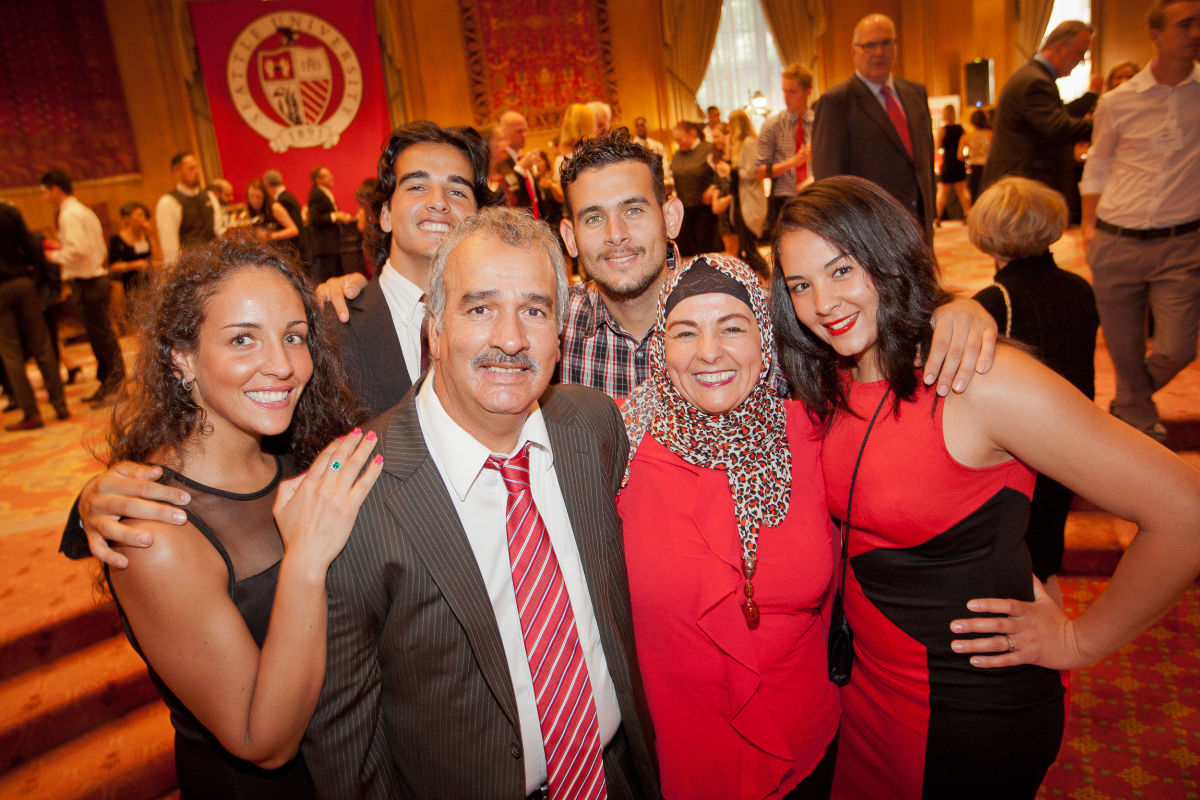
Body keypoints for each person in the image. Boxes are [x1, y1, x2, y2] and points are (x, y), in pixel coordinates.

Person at [771, 175, 1200, 800]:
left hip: (965, 712)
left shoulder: (980, 378)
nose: (822, 303)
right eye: (800, 284)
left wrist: (1081, 638)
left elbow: (1185, 512)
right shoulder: (827, 374)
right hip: (864, 692)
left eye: (842, 270)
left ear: (890, 256)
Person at [301, 207, 659, 799]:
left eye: (535, 311)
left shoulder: (592, 428)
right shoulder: (356, 489)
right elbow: (344, 742)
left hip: (616, 778)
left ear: (561, 332)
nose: (511, 339)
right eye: (481, 308)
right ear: (434, 328)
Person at [101, 234, 382, 797]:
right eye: (242, 339)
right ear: (182, 357)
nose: (280, 366)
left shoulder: (299, 454)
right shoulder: (155, 528)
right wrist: (304, 559)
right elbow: (262, 740)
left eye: (294, 337)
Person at [619, 253, 838, 799]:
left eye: (732, 328)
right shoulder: (615, 445)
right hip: (679, 762)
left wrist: (956, 314)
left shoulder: (815, 429)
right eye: (685, 332)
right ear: (661, 351)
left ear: (764, 340)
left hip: (805, 751)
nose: (709, 353)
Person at [969, 176, 1098, 591]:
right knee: (1047, 559)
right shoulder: (1080, 288)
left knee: (1017, 564)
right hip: (1077, 440)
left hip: (1021, 452)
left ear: (987, 237)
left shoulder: (993, 301)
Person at [1079, 0, 1200, 444]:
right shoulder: (1118, 101)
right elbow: (1098, 166)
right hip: (1117, 238)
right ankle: (1135, 412)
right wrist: (1090, 228)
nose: (1195, 32)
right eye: (1185, 24)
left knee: (1177, 348)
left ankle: (1131, 402)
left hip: (1183, 241)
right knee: (1124, 346)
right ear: (1156, 35)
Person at [812, 14, 937, 242]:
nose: (879, 52)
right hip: (871, 231)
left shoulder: (915, 93)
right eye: (869, 45)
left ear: (896, 46)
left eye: (886, 43)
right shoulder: (836, 102)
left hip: (919, 225)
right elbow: (829, 181)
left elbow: (925, 160)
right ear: (854, 51)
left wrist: (931, 212)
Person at [983, 20, 1102, 199]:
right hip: (1024, 187)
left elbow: (1056, 116)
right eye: (1080, 53)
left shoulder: (1033, 76)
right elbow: (1057, 127)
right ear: (1060, 47)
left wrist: (1091, 96)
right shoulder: (1035, 82)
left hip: (1021, 183)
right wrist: (1108, 122)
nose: (1081, 61)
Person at [41, 169, 126, 405]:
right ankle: (109, 383)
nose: (44, 197)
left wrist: (51, 256)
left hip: (87, 282)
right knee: (103, 335)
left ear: (55, 189)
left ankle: (115, 387)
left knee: (102, 337)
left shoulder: (69, 214)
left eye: (45, 192)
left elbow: (77, 250)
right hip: (94, 278)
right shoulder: (83, 211)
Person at [0, 201, 69, 430]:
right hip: (22, 282)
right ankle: (60, 405)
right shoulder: (9, 211)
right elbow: (32, 246)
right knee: (42, 344)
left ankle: (31, 413)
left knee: (10, 354)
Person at [756, 63, 815, 234]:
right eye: (784, 91)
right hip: (784, 200)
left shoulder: (821, 122)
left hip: (818, 197)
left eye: (792, 92)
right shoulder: (772, 125)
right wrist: (794, 162)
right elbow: (759, 171)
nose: (786, 97)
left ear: (808, 92)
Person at [156, 151, 218, 265]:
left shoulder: (208, 196)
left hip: (215, 261)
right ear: (177, 171)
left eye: (196, 167)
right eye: (191, 168)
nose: (196, 172)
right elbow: (170, 250)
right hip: (191, 267)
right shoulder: (168, 203)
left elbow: (218, 231)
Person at [670, 121, 719, 257]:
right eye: (676, 141)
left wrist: (713, 188)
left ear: (691, 134)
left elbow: (720, 175)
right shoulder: (678, 154)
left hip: (705, 209)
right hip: (685, 208)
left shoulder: (708, 149)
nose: (678, 144)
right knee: (687, 251)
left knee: (705, 250)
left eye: (680, 140)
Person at [107, 201, 153, 325]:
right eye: (138, 215)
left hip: (147, 280)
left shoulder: (146, 236)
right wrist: (133, 264)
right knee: (135, 319)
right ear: (128, 218)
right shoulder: (117, 239)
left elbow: (156, 255)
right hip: (127, 282)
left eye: (144, 215)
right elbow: (112, 265)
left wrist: (150, 234)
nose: (142, 219)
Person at [728, 109, 767, 257]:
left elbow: (751, 172)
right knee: (743, 248)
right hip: (739, 200)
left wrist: (733, 170)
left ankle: (765, 275)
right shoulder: (737, 144)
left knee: (749, 247)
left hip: (749, 199)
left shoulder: (749, 142)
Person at [308, 166, 353, 284]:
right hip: (324, 246)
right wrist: (336, 216)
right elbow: (315, 218)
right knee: (330, 279)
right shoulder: (316, 193)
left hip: (331, 244)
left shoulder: (325, 192)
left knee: (337, 276)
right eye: (327, 175)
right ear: (318, 179)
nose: (331, 177)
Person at [934, 104, 971, 222]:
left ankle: (937, 218)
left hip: (948, 162)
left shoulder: (942, 130)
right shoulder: (961, 129)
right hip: (959, 163)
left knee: (942, 192)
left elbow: (938, 147)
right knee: (962, 191)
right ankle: (967, 214)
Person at [263, 170, 305, 259]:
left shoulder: (283, 200)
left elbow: (294, 229)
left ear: (267, 185)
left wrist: (270, 236)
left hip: (296, 249)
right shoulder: (287, 197)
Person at [245, 180, 301, 246]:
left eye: (258, 197)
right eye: (251, 196)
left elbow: (294, 230)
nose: (254, 200)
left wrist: (270, 236)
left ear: (264, 196)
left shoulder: (274, 208)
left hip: (284, 248)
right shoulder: (251, 211)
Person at [964, 107, 992, 202]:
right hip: (988, 167)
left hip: (974, 168)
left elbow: (959, 155)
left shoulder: (967, 136)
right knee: (988, 193)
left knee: (975, 195)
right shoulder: (991, 134)